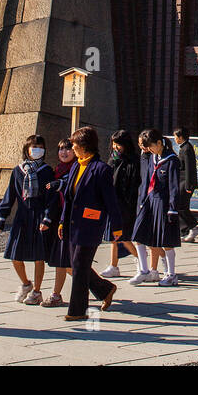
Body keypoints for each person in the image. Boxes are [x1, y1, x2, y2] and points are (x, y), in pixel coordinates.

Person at [40, 126, 125, 321]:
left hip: (91, 225)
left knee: (78, 265)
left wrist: (117, 226)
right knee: (78, 264)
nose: (72, 148)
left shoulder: (101, 169)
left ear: (85, 146)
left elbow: (111, 201)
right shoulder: (77, 166)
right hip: (72, 224)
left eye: (75, 145)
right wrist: (62, 221)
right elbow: (69, 198)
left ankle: (77, 311)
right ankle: (105, 289)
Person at [0, 135, 54, 305]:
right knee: (14, 254)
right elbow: (10, 195)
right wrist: (2, 215)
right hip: (22, 216)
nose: (38, 150)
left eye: (41, 147)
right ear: (27, 149)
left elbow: (51, 197)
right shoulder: (18, 171)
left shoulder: (47, 170)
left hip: (39, 215)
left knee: (38, 257)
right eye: (34, 146)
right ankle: (26, 284)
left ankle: (37, 291)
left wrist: (48, 217)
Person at [131, 128, 182, 286]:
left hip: (163, 202)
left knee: (165, 239)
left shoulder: (171, 160)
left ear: (159, 143)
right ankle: (144, 270)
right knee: (138, 233)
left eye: (150, 146)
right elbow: (146, 180)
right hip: (149, 200)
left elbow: (174, 186)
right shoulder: (152, 157)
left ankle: (171, 274)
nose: (149, 149)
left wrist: (173, 208)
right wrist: (142, 200)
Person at [41, 137, 77, 307]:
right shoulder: (58, 170)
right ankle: (98, 286)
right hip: (59, 220)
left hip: (71, 220)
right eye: (61, 149)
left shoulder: (76, 169)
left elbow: (69, 185)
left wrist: (60, 184)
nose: (64, 152)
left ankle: (56, 294)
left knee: (63, 259)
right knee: (62, 260)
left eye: (68, 149)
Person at [101, 129, 140, 278]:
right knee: (113, 237)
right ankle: (113, 265)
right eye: (114, 144)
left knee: (123, 236)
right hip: (112, 202)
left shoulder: (133, 160)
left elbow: (133, 182)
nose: (116, 147)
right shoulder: (113, 158)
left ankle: (139, 260)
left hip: (125, 203)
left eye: (118, 144)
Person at [173, 128, 198, 242]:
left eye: (176, 137)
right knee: (182, 206)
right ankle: (186, 230)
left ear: (181, 137)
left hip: (186, 183)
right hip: (182, 182)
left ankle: (194, 227)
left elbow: (190, 168)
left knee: (181, 206)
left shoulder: (187, 149)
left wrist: (189, 186)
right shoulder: (184, 148)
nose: (175, 139)